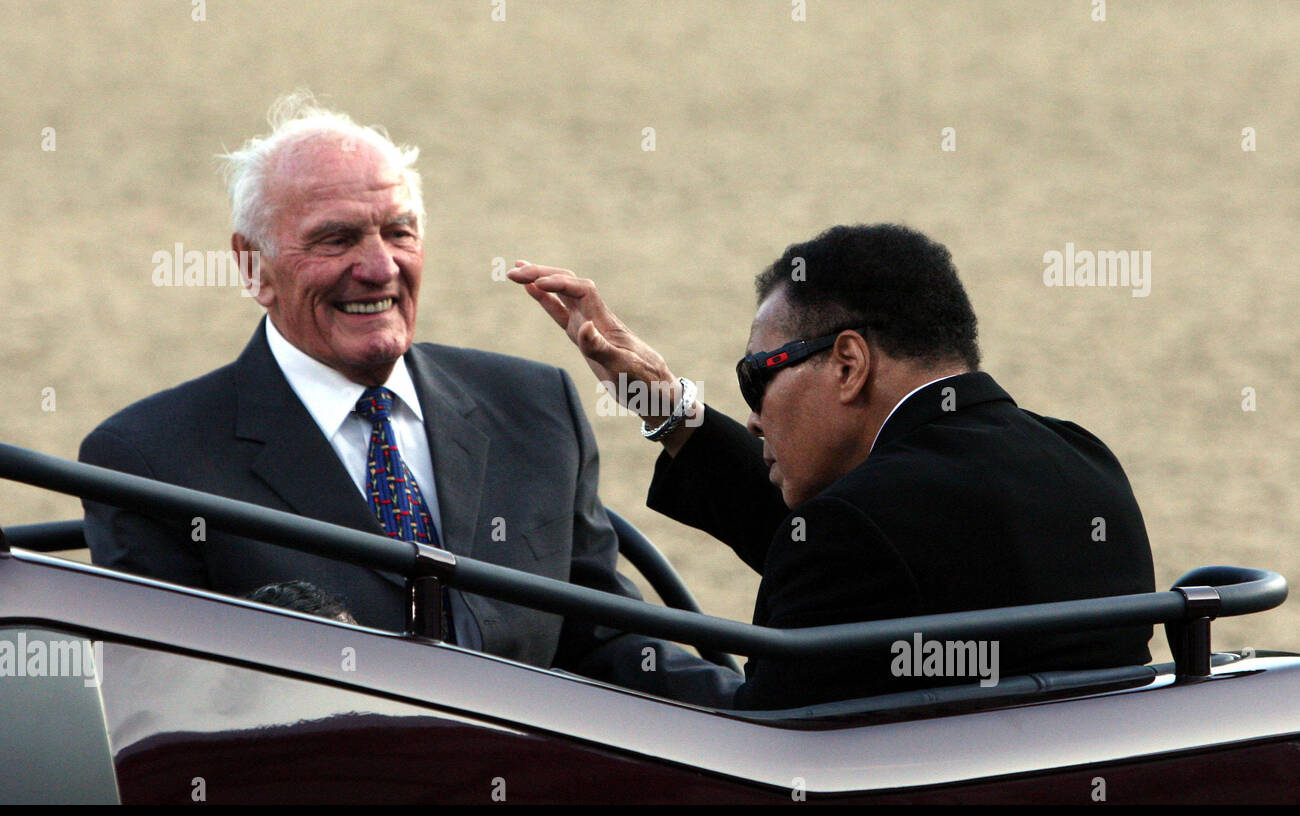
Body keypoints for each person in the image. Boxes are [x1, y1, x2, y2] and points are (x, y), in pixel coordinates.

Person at [79, 93, 741, 704]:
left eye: (399, 231)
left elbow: (605, 645)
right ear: (253, 267)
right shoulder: (148, 459)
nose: (379, 267)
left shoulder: (536, 409)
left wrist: (774, 715)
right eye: (336, 238)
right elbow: (164, 721)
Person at [509, 223, 1155, 710]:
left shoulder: (855, 532)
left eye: (756, 377)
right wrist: (671, 410)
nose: (755, 416)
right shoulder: (1088, 465)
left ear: (848, 364)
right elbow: (889, 554)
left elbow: (753, 761)